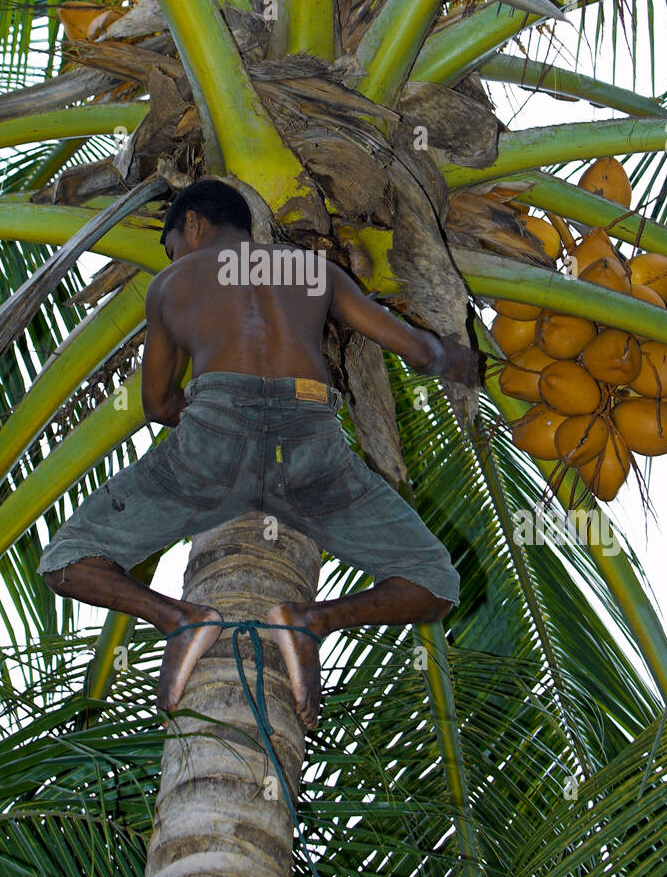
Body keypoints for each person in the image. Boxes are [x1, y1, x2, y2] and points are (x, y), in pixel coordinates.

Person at [38, 179, 481, 728]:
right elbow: (416, 349)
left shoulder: (172, 283)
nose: (176, 256)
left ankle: (177, 618)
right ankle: (310, 622)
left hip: (211, 438)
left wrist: (206, 420)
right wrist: (451, 358)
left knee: (67, 559)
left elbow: (156, 403)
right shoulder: (309, 270)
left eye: (173, 244)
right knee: (434, 581)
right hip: (310, 439)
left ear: (194, 223)